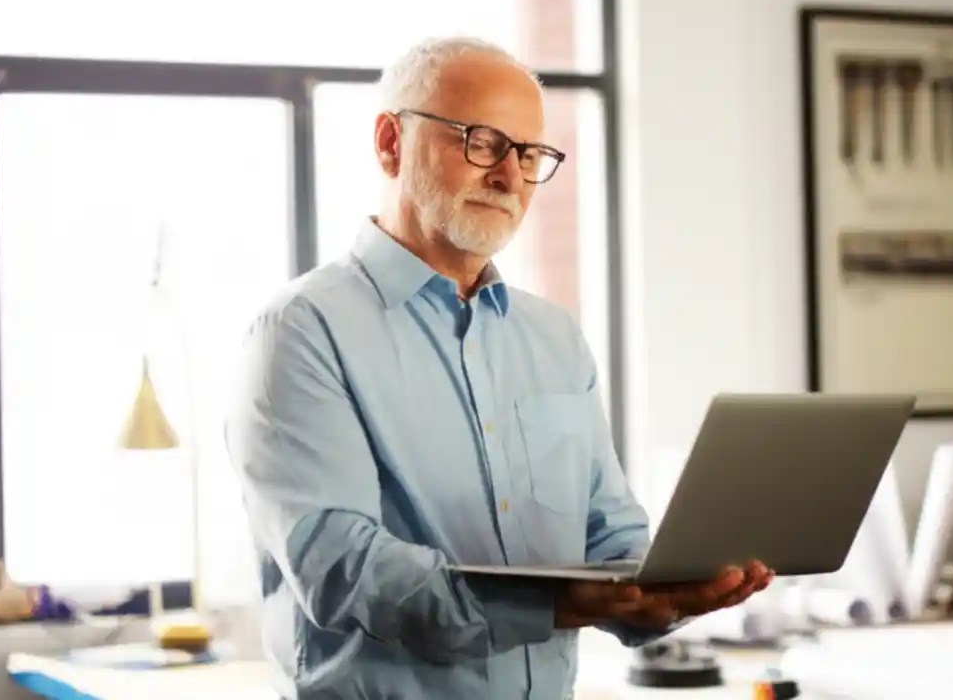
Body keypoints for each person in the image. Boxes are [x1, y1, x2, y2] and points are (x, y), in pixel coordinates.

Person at [225, 37, 773, 699]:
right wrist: (559, 606)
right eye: (481, 142)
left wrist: (669, 591)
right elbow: (343, 571)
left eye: (531, 154)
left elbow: (608, 533)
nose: (510, 177)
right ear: (390, 142)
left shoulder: (554, 339)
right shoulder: (300, 333)